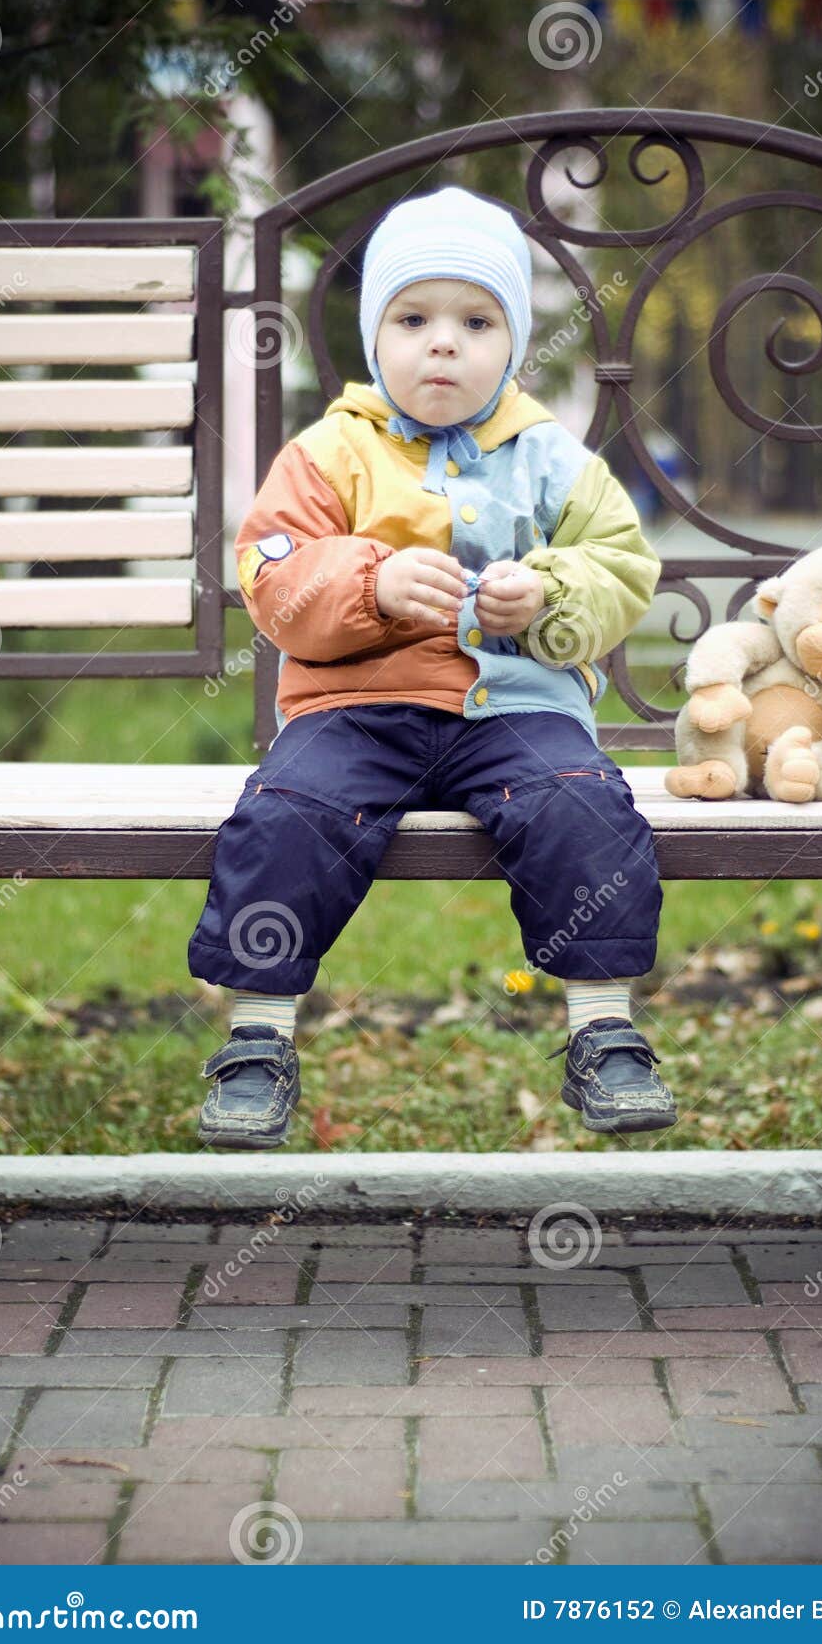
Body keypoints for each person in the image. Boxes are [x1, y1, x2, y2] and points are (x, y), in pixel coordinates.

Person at [187, 185, 675, 1150]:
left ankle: (604, 1031)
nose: (442, 343)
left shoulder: (548, 457)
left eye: (475, 321)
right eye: (413, 318)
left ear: (513, 341)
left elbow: (621, 563)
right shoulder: (331, 452)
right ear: (377, 336)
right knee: (289, 811)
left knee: (581, 800)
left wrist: (550, 594)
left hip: (517, 711)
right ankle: (256, 1043)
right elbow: (272, 569)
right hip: (356, 707)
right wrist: (368, 583)